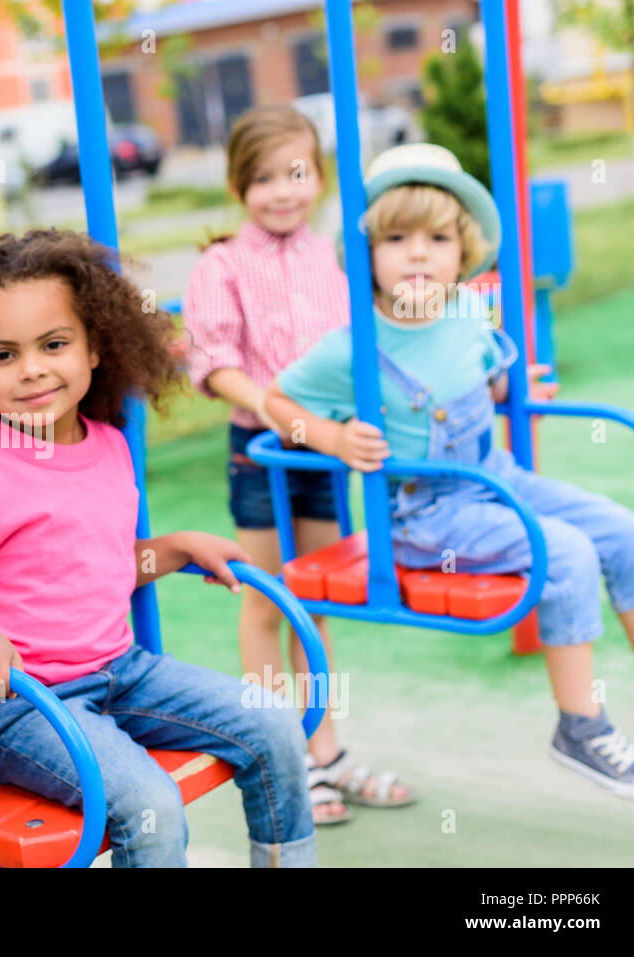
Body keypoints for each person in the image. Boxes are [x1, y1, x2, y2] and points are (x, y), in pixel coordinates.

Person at [0, 228, 317, 866]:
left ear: (94, 348)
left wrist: (175, 547)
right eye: (3, 356)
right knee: (151, 804)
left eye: (54, 344)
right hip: (18, 705)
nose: (31, 369)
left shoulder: (109, 446)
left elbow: (103, 562)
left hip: (122, 673)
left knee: (273, 725)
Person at [266, 142, 634, 798]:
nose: (418, 252)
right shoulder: (353, 346)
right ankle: (580, 725)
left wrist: (516, 387)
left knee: (626, 531)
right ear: (367, 255)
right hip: (424, 515)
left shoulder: (468, 316)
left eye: (437, 237)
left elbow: (490, 381)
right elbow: (277, 405)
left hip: (496, 475)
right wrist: (331, 436)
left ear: (462, 251)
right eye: (396, 236)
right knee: (565, 553)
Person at [183, 104, 413, 824]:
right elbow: (215, 364)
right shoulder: (221, 264)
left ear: (318, 176)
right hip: (262, 454)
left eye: (296, 173)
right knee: (267, 600)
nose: (282, 191)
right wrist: (295, 418)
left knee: (318, 601)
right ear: (238, 185)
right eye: (262, 179)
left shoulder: (337, 257)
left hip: (324, 453)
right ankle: (281, 751)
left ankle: (328, 749)